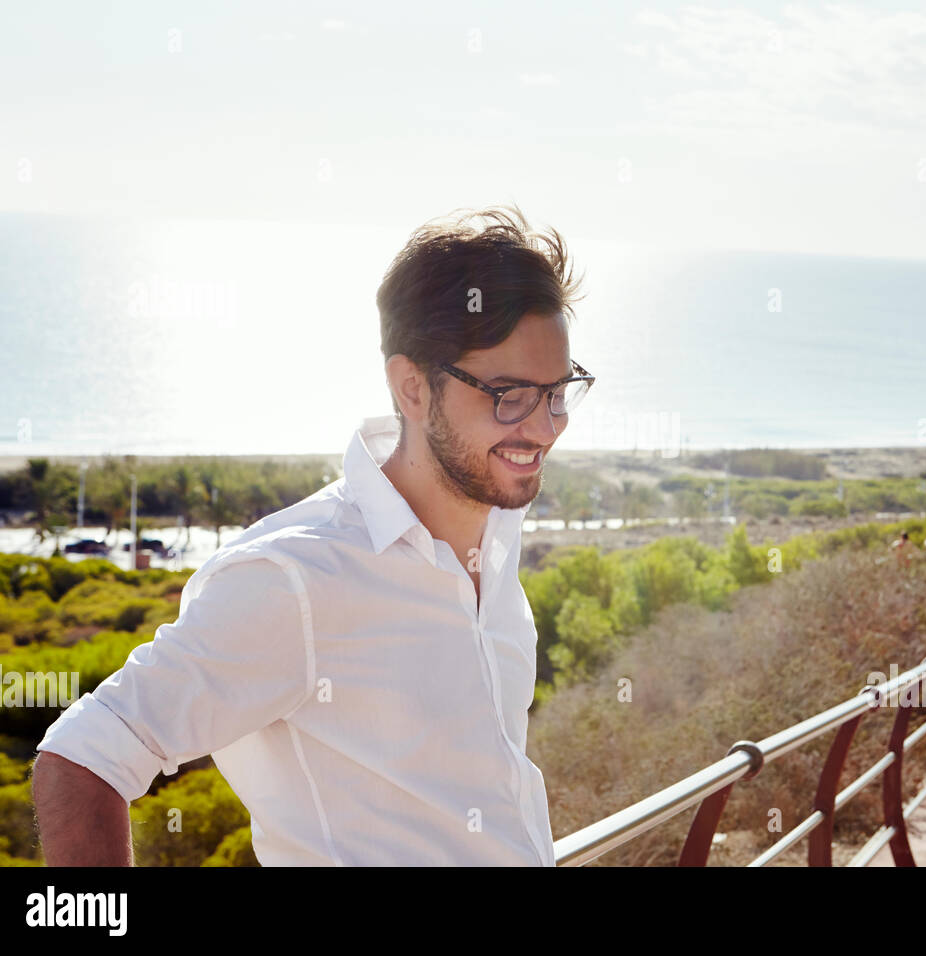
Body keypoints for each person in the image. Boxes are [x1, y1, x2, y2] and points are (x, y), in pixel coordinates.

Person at [31, 204, 595, 866]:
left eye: (558, 391)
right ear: (412, 388)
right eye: (509, 395)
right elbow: (82, 756)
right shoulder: (293, 578)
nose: (545, 426)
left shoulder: (497, 534)